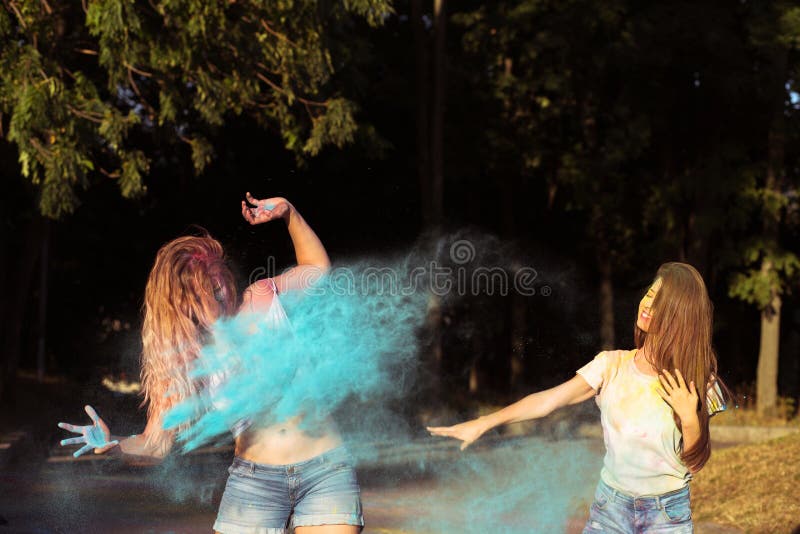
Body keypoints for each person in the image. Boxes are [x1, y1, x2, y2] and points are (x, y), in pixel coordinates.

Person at [58, 193, 363, 534]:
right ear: (184, 302)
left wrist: (290, 213)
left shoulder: (263, 297)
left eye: (220, 278)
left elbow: (318, 271)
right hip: (255, 484)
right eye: (209, 289)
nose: (221, 289)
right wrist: (113, 446)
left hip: (325, 470)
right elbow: (155, 444)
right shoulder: (188, 361)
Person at [428, 262, 729, 533]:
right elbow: (548, 401)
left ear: (680, 314)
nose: (647, 304)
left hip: (667, 516)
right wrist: (484, 422)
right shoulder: (611, 365)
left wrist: (690, 417)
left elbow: (696, 463)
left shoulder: (699, 381)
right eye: (649, 294)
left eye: (660, 300)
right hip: (610, 510)